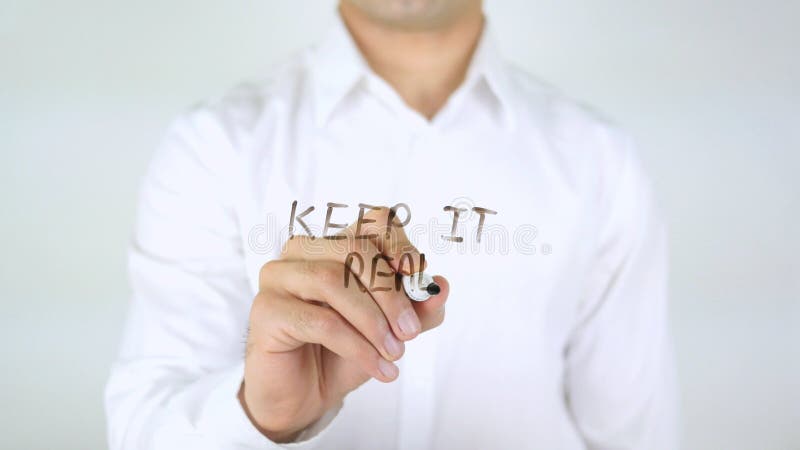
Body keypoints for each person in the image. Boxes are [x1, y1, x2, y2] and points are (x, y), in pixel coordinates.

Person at [105, 0, 679, 448]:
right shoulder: (213, 149)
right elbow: (142, 429)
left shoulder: (601, 164)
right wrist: (263, 416)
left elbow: (631, 436)